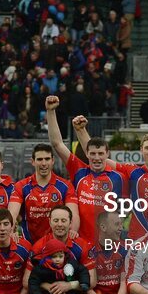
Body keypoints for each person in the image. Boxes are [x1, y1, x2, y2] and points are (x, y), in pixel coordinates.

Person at [75, 119, 148, 240]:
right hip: (138, 238)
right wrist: (81, 130)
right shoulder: (133, 171)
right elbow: (98, 156)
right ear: (141, 150)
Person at [45, 95, 125, 244]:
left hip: (109, 245)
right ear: (87, 153)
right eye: (93, 153)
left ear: (107, 155)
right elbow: (57, 144)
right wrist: (50, 112)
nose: (96, 158)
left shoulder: (118, 177)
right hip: (82, 244)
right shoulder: (79, 171)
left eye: (101, 154)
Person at [8, 144, 78, 244]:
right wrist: (11, 231)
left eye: (47, 159)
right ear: (33, 161)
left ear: (52, 160)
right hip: (29, 244)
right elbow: (12, 213)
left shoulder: (65, 186)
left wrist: (73, 231)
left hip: (57, 247)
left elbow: (73, 214)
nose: (44, 163)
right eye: (40, 159)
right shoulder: (21, 186)